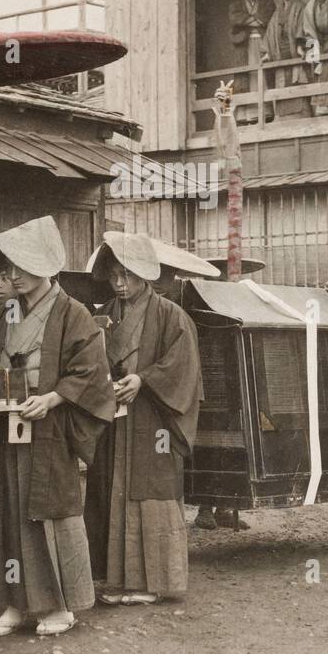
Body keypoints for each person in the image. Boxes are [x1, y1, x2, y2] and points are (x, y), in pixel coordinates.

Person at [0, 216, 116, 638]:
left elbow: (91, 369)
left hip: (49, 429)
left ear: (42, 266)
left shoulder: (73, 312)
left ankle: (58, 607)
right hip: (5, 428)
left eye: (18, 266)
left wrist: (52, 398)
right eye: (7, 267)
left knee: (49, 517)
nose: (10, 276)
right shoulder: (0, 313)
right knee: (8, 514)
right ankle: (14, 604)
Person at [84, 233, 201, 605]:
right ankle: (119, 581)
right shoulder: (105, 315)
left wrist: (144, 379)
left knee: (151, 496)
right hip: (115, 418)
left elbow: (184, 366)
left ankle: (156, 584)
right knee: (112, 492)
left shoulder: (171, 315)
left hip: (155, 420)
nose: (120, 284)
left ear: (146, 276)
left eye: (128, 275)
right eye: (115, 275)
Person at [227, 0, 276, 125]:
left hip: (263, 41)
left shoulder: (267, 2)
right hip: (244, 44)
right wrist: (254, 20)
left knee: (264, 74)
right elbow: (236, 19)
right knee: (246, 76)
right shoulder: (235, 6)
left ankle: (266, 111)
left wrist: (248, 20)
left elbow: (265, 19)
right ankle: (247, 114)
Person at [263, 0, 309, 119]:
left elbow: (305, 27)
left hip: (295, 54)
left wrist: (301, 46)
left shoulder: (301, 7)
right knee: (282, 89)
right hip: (280, 58)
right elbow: (270, 32)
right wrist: (267, 52)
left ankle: (302, 116)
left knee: (298, 87)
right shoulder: (277, 13)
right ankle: (283, 118)